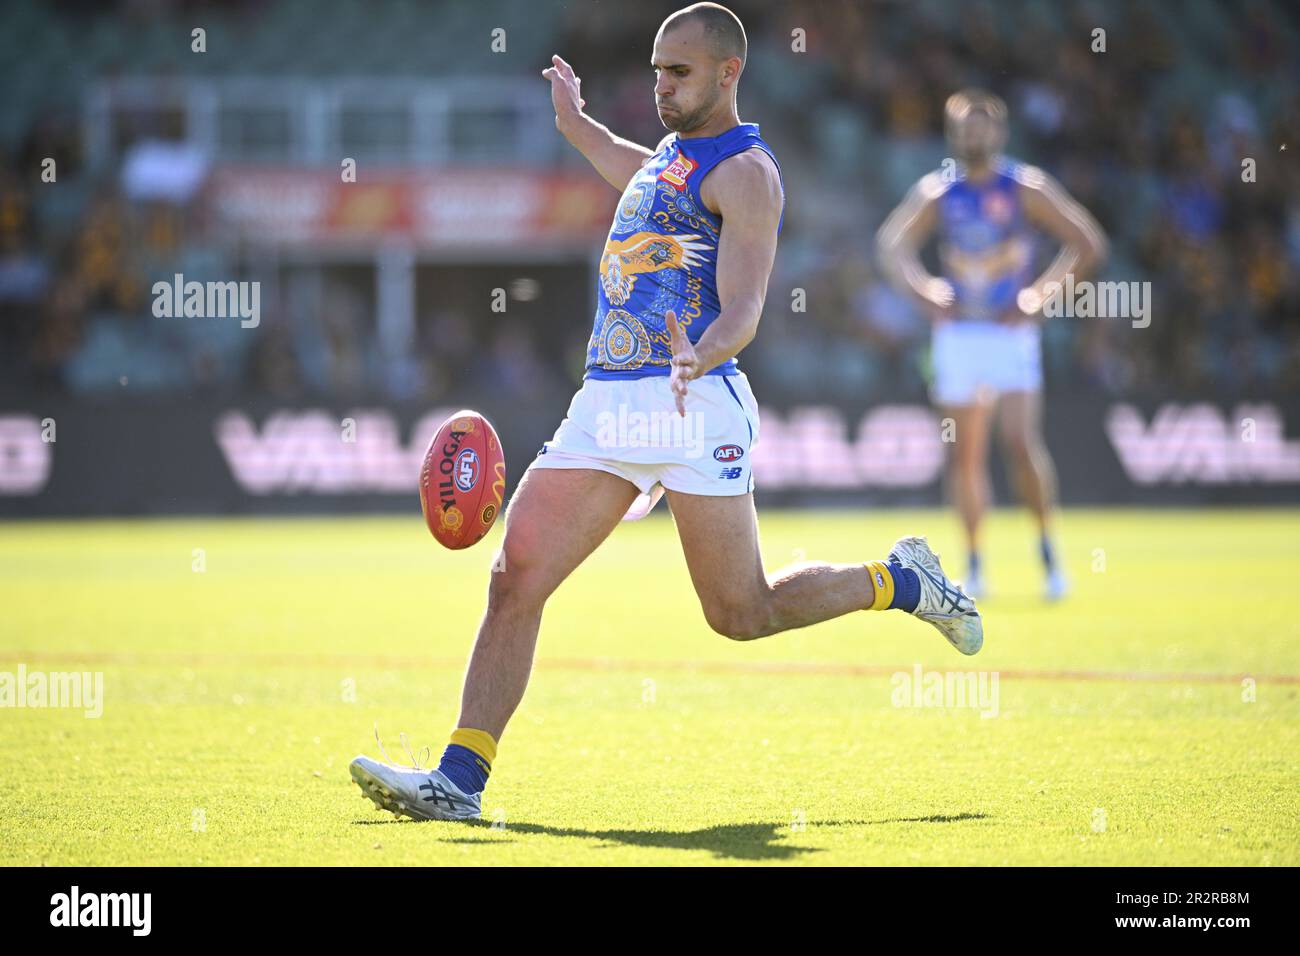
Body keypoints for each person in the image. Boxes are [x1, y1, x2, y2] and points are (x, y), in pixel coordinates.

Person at [350, 3, 981, 822]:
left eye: (677, 72)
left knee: (741, 613)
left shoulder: (748, 172)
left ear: (729, 73)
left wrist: (704, 350)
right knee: (515, 577)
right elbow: (631, 164)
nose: (660, 85)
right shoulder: (670, 159)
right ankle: (459, 782)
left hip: (691, 403)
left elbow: (746, 307)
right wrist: (577, 126)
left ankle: (900, 581)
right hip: (609, 401)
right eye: (655, 70)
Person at [877, 89, 1108, 600]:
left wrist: (1040, 296)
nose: (973, 135)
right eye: (964, 126)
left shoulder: (1024, 186)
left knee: (1021, 443)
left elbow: (1087, 241)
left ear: (999, 133)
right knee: (965, 454)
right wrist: (924, 292)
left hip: (1009, 333)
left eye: (982, 126)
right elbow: (892, 245)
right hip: (959, 333)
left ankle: (1048, 549)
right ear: (953, 133)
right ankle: (975, 563)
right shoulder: (939, 192)